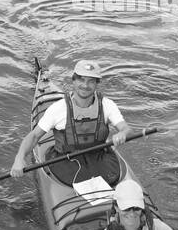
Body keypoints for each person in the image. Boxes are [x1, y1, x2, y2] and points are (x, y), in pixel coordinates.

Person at [11, 59, 129, 187]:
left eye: (91, 81)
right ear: (73, 80)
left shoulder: (107, 105)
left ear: (97, 84)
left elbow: (126, 129)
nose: (85, 85)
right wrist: (19, 158)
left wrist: (122, 133)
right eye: (81, 80)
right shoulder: (58, 109)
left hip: (99, 157)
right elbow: (34, 136)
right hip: (65, 160)